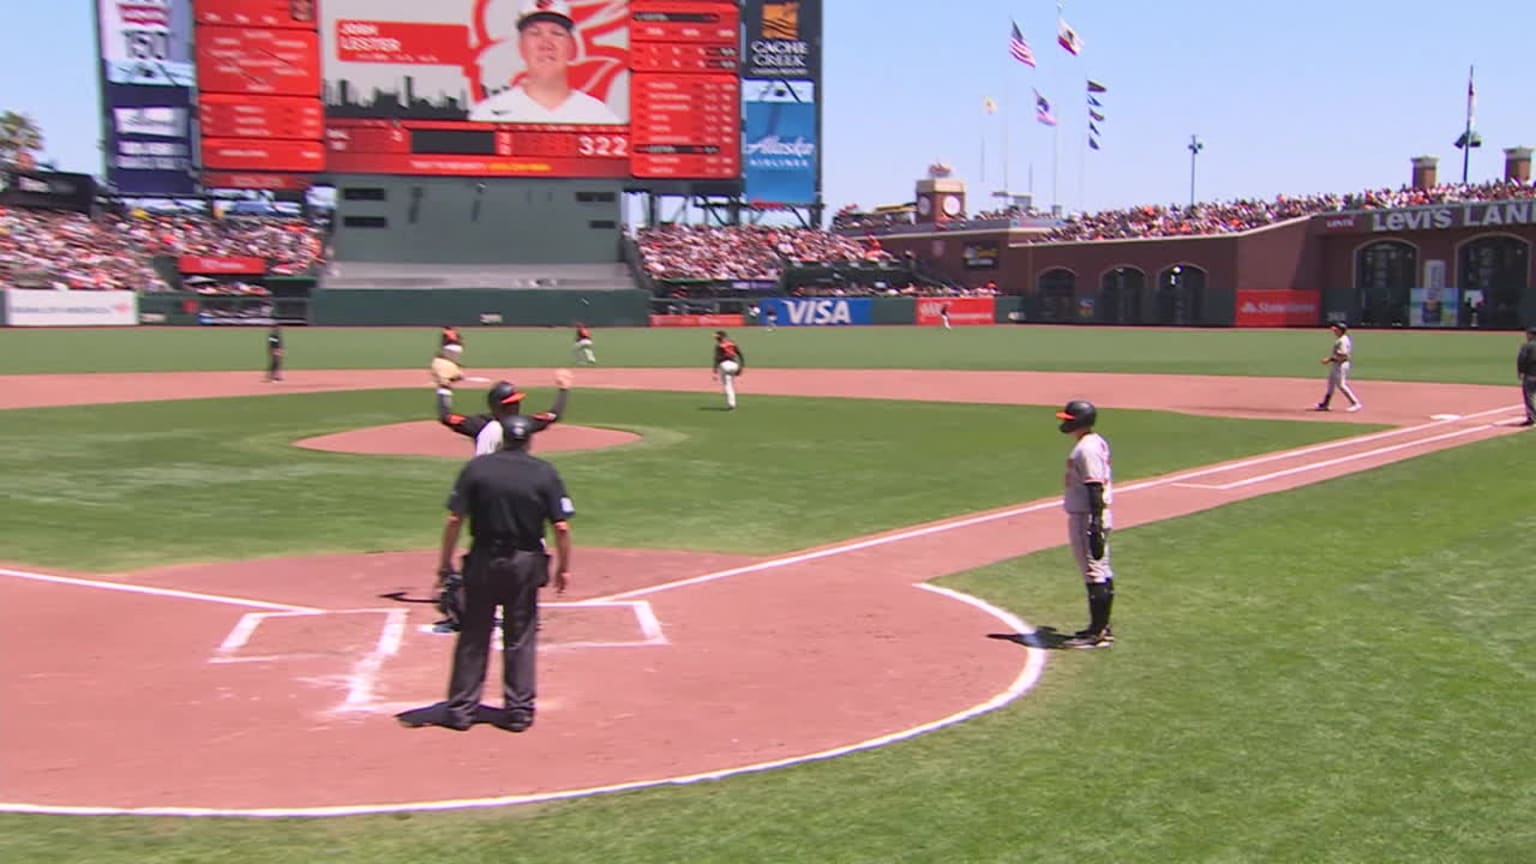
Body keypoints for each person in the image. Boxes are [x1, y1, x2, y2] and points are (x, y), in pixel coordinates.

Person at [397, 414, 575, 733]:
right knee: (520, 635)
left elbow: (454, 520)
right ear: (529, 440)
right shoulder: (544, 472)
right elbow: (561, 527)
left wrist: (444, 563)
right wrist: (563, 567)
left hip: (483, 559)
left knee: (474, 634)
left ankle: (461, 710)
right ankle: (519, 712)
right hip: (525, 562)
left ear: (503, 438)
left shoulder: (477, 469)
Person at [467, 0, 623, 125]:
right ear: (521, 47)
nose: (546, 43)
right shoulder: (488, 115)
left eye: (557, 33)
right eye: (535, 33)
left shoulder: (599, 117)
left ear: (570, 47)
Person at [1055, 400, 1116, 649]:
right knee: (1101, 569)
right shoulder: (1094, 442)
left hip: (1086, 516)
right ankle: (1101, 627)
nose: (1065, 422)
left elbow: (1094, 487)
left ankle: (1096, 633)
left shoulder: (1086, 449)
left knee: (1094, 573)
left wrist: (1095, 524)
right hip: (1092, 514)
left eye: (1069, 419)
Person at [440, 370, 574, 457]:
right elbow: (446, 417)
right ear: (497, 405)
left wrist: (563, 389)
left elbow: (553, 415)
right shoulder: (480, 424)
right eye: (511, 404)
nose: (516, 406)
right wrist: (444, 388)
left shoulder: (522, 423)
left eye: (517, 402)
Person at [1313, 322, 1362, 413]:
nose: (1334, 331)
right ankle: (1325, 404)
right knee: (1331, 384)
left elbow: (1343, 355)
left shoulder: (1342, 341)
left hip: (1341, 365)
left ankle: (1355, 403)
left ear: (1340, 331)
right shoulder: (1343, 339)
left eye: (1336, 330)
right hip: (1337, 364)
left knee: (1341, 385)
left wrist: (1329, 359)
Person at [430, 342, 467, 419]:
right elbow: (445, 381)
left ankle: (445, 418)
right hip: (444, 391)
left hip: (444, 390)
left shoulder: (442, 362)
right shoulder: (442, 364)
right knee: (445, 410)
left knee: (445, 408)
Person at [712, 329, 745, 410]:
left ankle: (731, 404)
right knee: (730, 383)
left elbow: (716, 358)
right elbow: (740, 355)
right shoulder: (732, 343)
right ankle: (732, 404)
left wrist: (715, 371)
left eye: (717, 337)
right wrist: (741, 367)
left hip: (725, 366)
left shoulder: (719, 346)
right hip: (734, 365)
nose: (716, 338)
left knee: (727, 385)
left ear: (720, 337)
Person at [1518, 326, 1536, 428]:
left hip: (1531, 375)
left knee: (1529, 396)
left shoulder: (1527, 346)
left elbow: (1522, 359)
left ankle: (1532, 418)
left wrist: (1521, 371)